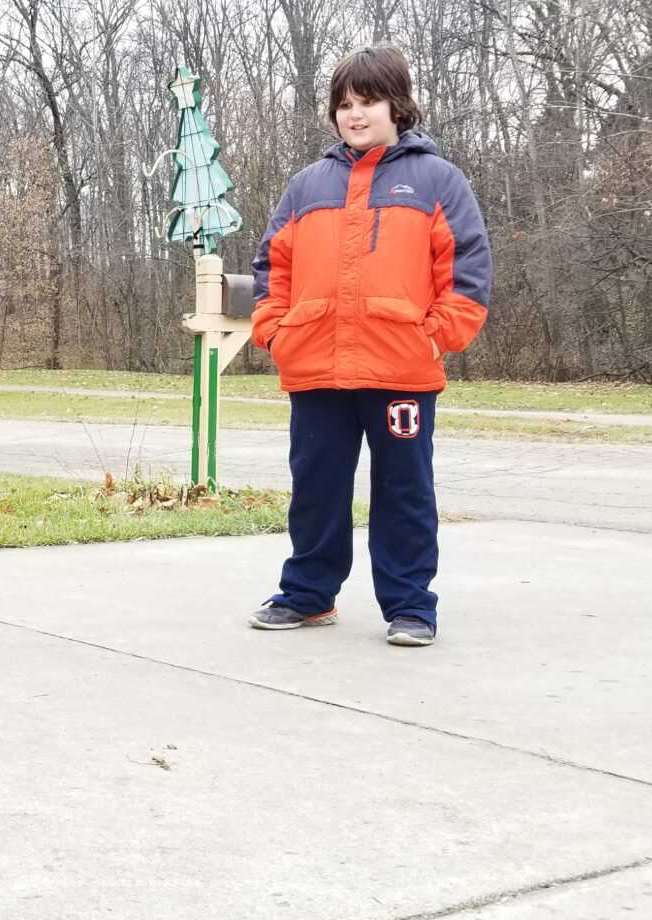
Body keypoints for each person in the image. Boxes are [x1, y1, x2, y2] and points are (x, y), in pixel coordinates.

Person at [245, 46, 491, 647]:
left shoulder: (438, 180)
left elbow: (466, 271)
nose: (354, 115)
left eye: (368, 102)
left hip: (401, 370)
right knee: (316, 488)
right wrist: (276, 332)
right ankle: (308, 595)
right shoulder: (306, 185)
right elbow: (271, 267)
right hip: (316, 368)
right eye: (344, 104)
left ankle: (410, 606)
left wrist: (434, 337)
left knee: (405, 492)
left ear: (397, 105)